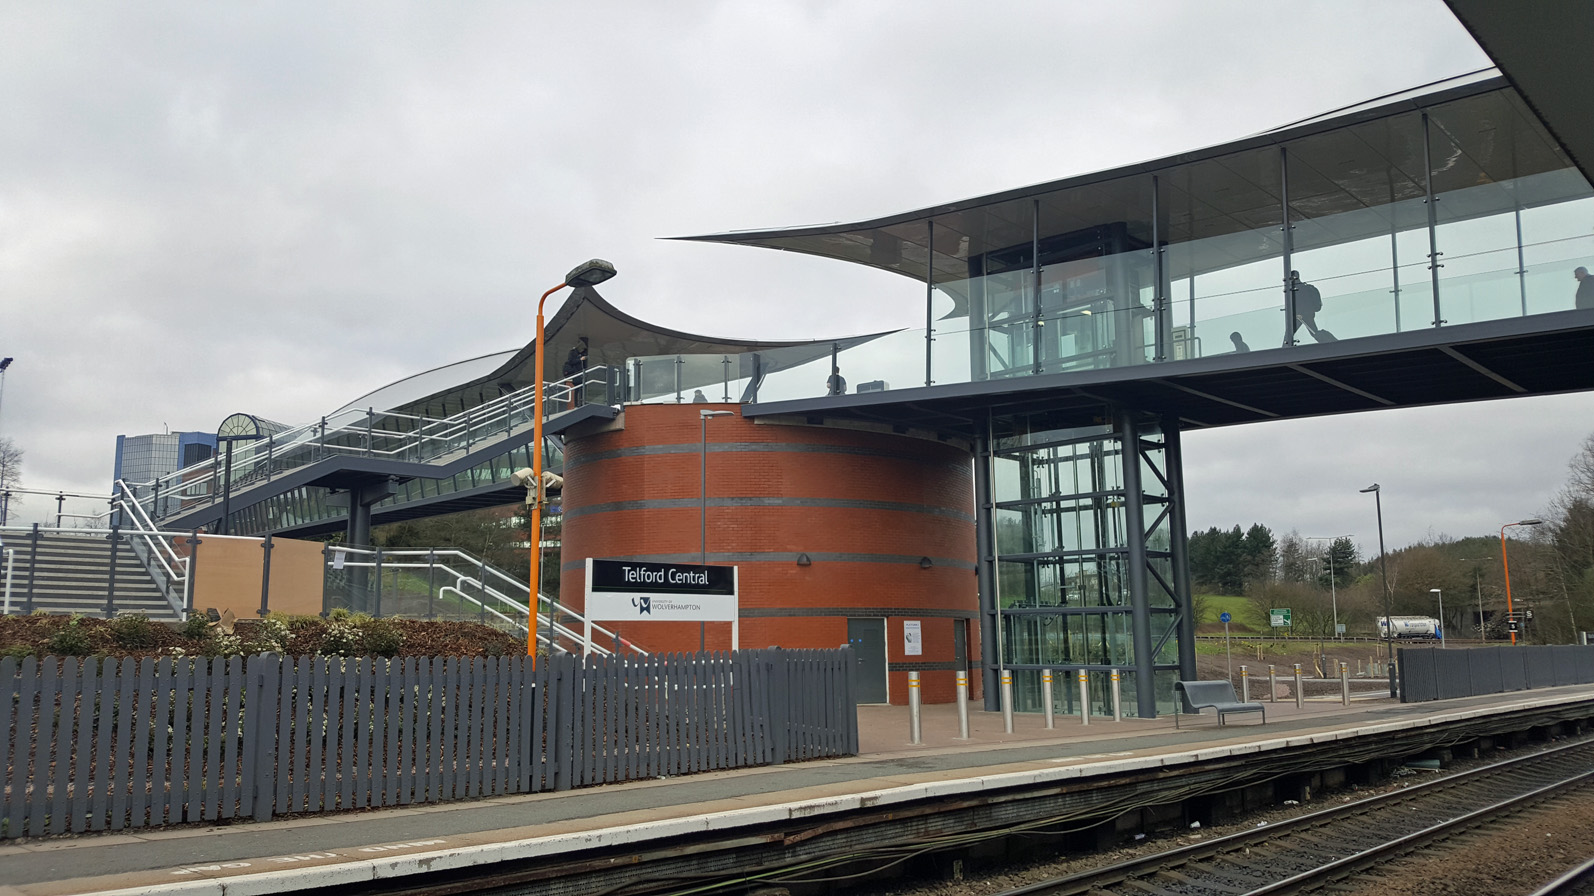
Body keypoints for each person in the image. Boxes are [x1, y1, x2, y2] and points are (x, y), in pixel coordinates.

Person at [562, 337, 588, 406]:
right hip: (576, 373)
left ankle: (582, 402)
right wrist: (580, 359)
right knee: (577, 389)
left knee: (581, 388)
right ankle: (576, 404)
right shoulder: (572, 353)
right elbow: (570, 361)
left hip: (581, 373)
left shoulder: (581, 353)